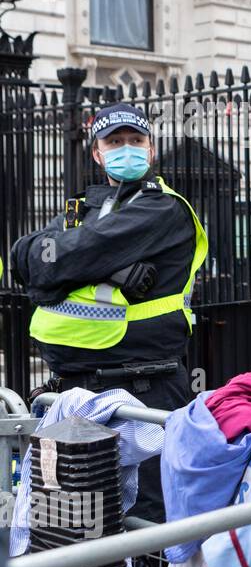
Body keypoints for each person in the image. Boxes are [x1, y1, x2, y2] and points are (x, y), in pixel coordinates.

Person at [9, 102, 209, 530]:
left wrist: (72, 261)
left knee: (146, 527)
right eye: (114, 142)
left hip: (143, 391)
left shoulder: (162, 209)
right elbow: (25, 261)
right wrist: (113, 267)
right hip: (76, 394)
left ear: (151, 150)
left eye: (135, 141)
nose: (126, 149)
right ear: (97, 154)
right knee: (72, 524)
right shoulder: (81, 209)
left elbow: (59, 259)